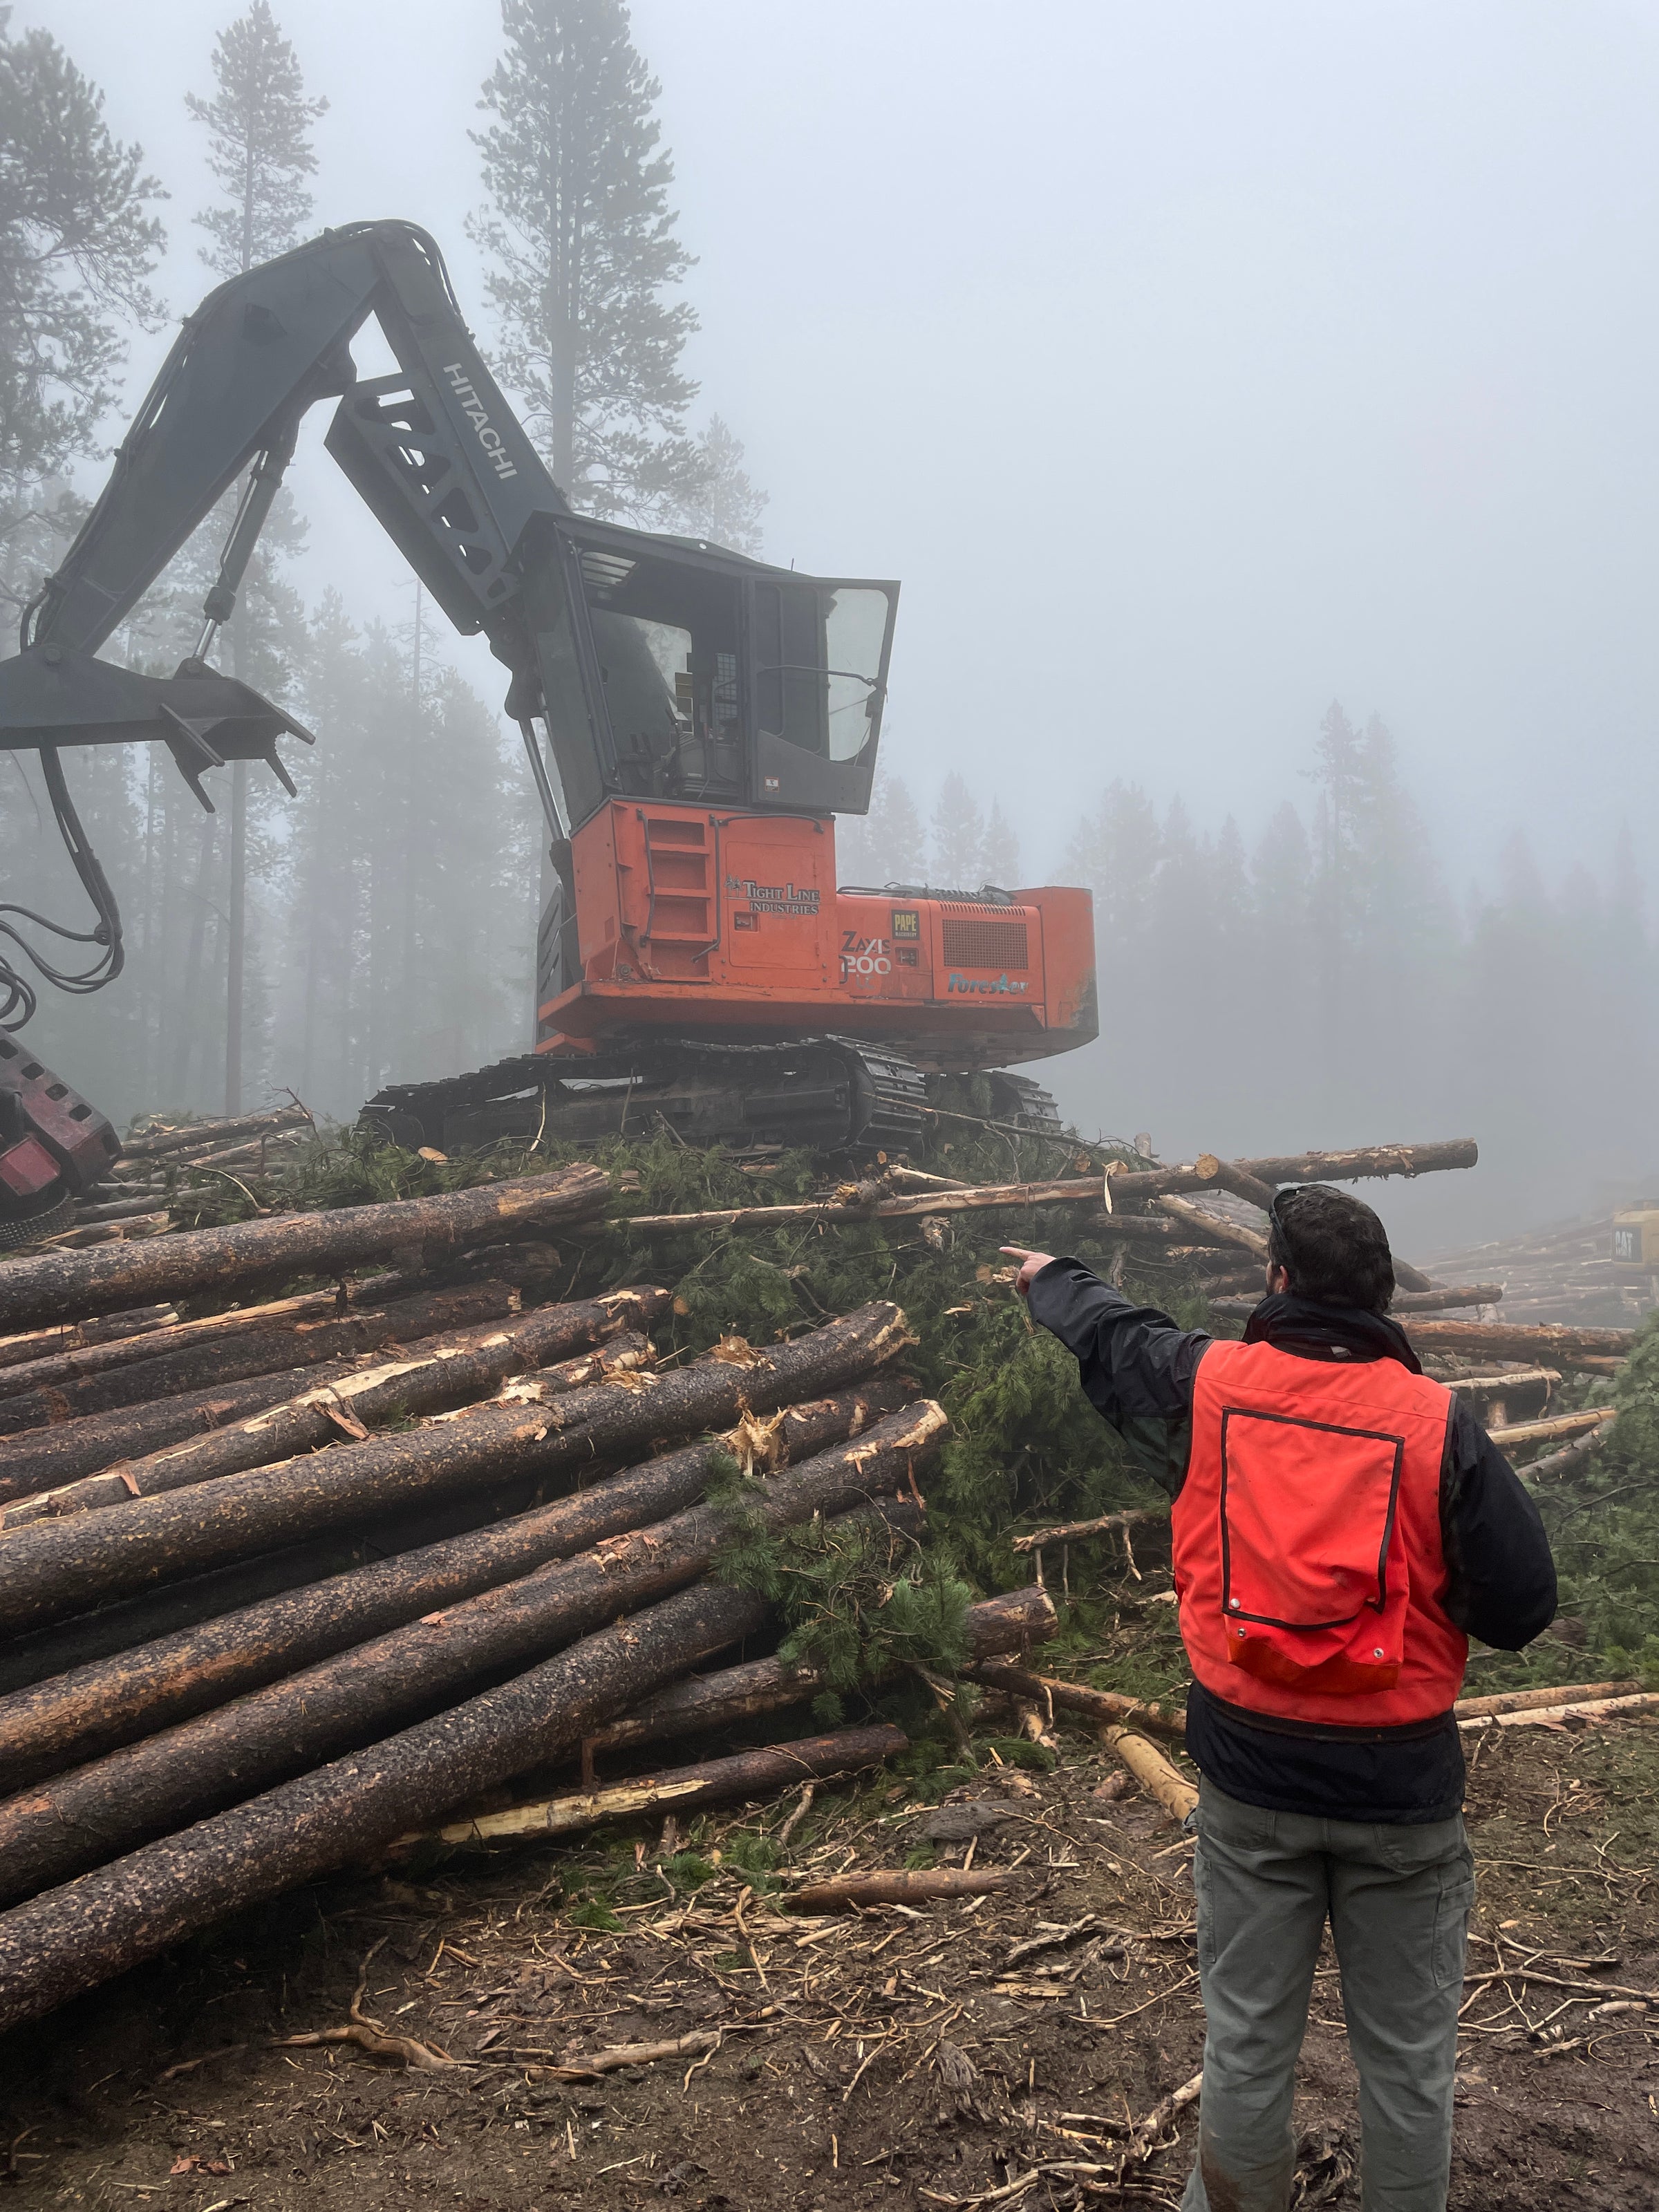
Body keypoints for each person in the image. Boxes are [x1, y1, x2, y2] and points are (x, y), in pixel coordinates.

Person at [1003, 1185, 1556, 2212]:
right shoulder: (1439, 1425)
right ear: (1382, 1299)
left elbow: (1122, 1341)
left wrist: (1051, 1279)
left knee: (1248, 2046)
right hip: (1401, 1797)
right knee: (1408, 2067)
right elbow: (1524, 1605)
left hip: (1251, 1786)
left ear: (1279, 1280)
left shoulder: (1208, 1385)